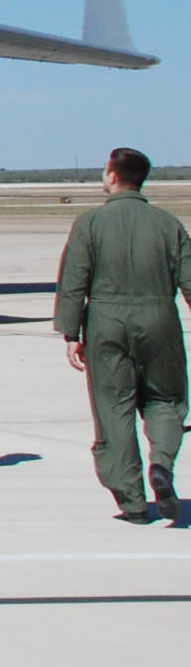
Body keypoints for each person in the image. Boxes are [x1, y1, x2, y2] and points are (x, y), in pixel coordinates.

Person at [54, 148, 191, 524]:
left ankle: (132, 501)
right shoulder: (168, 224)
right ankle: (161, 462)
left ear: (113, 176)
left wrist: (70, 332)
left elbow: (73, 282)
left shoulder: (89, 224)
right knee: (166, 399)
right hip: (160, 319)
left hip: (106, 323)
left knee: (114, 409)